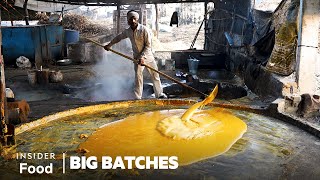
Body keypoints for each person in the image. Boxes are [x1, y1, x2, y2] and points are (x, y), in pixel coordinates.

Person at [104, 10, 166, 99]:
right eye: (130, 19)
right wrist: (109, 45)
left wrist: (142, 57)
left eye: (134, 19)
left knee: (155, 75)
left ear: (137, 19)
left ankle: (159, 94)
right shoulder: (128, 31)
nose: (132, 21)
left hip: (148, 57)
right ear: (127, 20)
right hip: (137, 58)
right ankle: (137, 97)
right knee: (138, 78)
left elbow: (148, 46)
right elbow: (119, 37)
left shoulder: (144, 30)